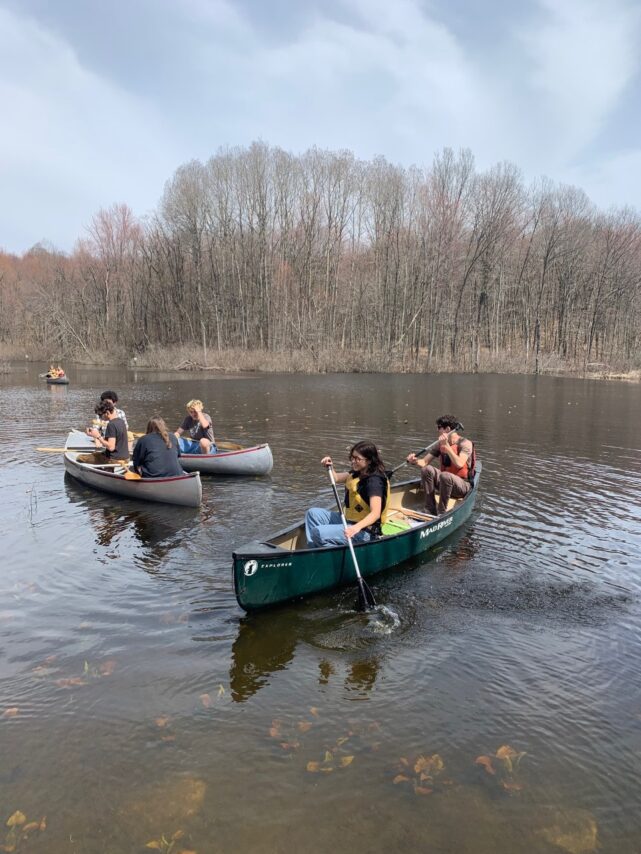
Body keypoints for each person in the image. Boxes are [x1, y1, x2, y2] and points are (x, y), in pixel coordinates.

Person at [305, 441, 391, 548]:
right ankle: (314, 549)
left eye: (357, 459)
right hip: (349, 520)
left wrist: (355, 528)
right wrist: (330, 467)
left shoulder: (374, 482)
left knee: (317, 532)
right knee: (313, 514)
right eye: (352, 457)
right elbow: (336, 478)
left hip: (365, 531)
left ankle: (327, 552)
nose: (353, 461)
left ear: (369, 460)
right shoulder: (357, 473)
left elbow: (375, 513)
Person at [406, 414, 475, 515]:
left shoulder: (465, 444)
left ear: (448, 429)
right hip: (444, 483)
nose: (437, 430)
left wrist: (447, 446)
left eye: (439, 427)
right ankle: (430, 508)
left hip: (462, 486)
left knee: (445, 476)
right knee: (426, 470)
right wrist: (414, 461)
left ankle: (442, 512)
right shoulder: (440, 444)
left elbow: (459, 464)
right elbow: (424, 462)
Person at [78, 400, 130, 465]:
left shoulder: (111, 425)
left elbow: (111, 447)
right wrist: (93, 435)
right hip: (126, 458)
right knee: (96, 454)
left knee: (80, 457)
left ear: (107, 412)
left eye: (100, 415)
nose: (100, 418)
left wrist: (98, 436)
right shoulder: (121, 421)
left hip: (113, 460)